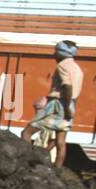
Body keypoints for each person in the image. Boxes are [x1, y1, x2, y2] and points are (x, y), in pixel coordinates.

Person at [21, 40, 82, 169]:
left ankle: (28, 163)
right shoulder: (77, 68)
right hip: (70, 104)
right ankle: (58, 170)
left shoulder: (62, 66)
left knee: (26, 132)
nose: (54, 54)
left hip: (58, 104)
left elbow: (68, 86)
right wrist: (70, 108)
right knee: (61, 141)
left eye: (56, 51)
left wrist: (65, 107)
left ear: (62, 53)